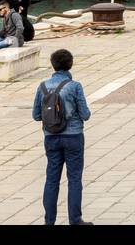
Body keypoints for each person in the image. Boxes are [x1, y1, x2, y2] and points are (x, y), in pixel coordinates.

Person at [32, 48, 92, 226]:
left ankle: (49, 221)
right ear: (70, 64)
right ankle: (75, 220)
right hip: (73, 137)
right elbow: (85, 114)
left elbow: (36, 115)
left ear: (53, 64)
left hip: (51, 138)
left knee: (52, 179)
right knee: (74, 178)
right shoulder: (75, 86)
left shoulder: (42, 86)